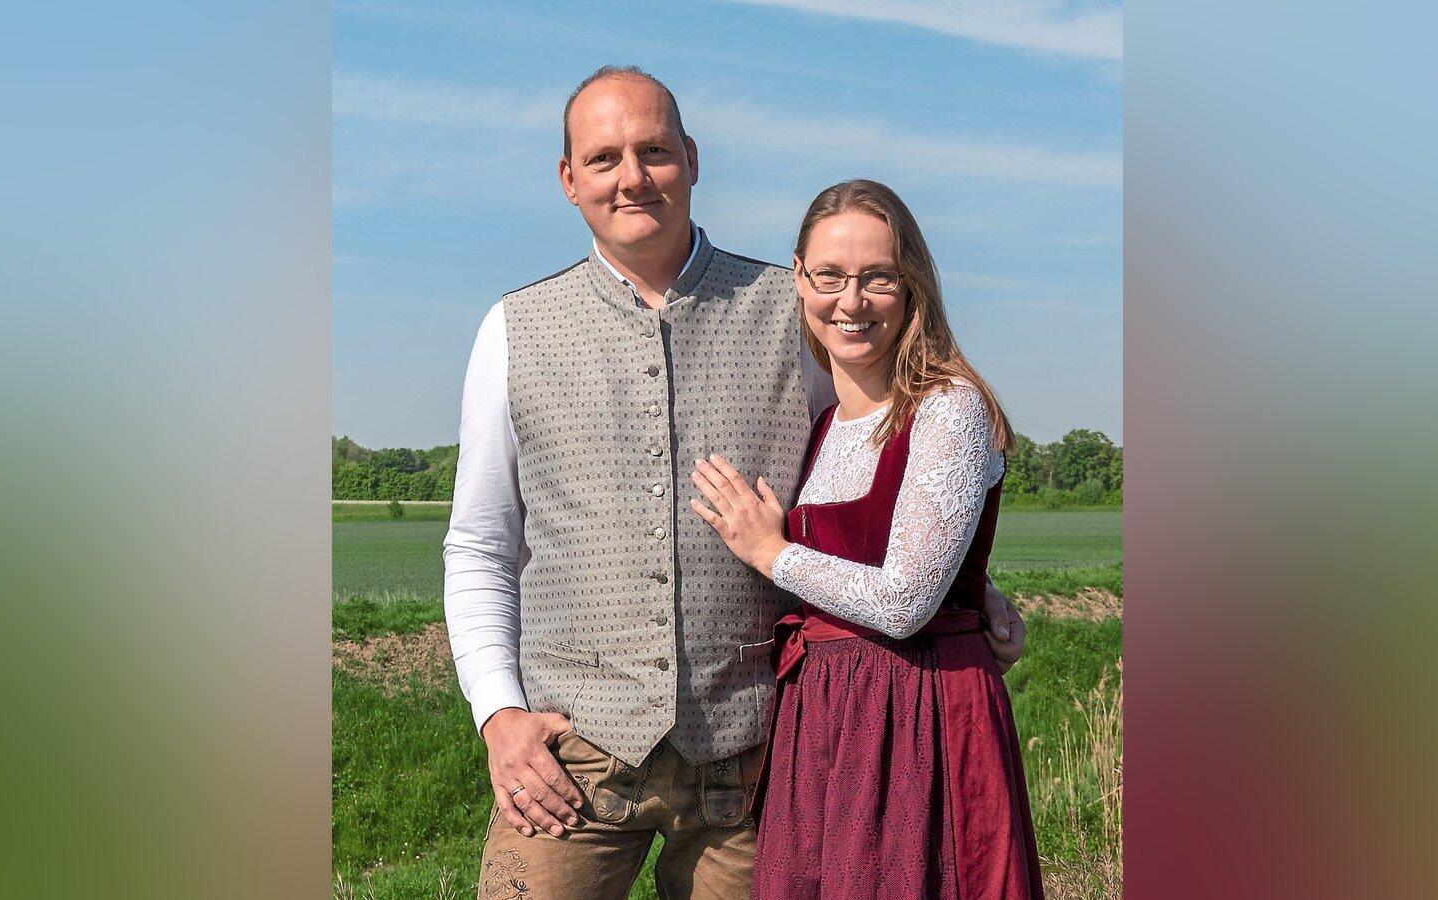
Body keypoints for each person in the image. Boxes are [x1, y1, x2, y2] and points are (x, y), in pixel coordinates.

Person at [443, 66, 1028, 900]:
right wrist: (498, 716)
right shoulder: (511, 331)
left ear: (691, 156)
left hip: (756, 762)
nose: (632, 176)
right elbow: (479, 544)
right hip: (569, 754)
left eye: (653, 150)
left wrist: (970, 588)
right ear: (569, 180)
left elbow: (871, 478)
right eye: (603, 158)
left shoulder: (792, 312)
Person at [689, 179, 1044, 898]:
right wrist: (980, 589)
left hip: (918, 716)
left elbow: (908, 600)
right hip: (823, 719)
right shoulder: (824, 421)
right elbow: (900, 544)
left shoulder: (948, 406)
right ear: (799, 278)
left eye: (877, 277)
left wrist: (771, 551)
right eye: (830, 277)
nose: (850, 302)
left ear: (912, 285)